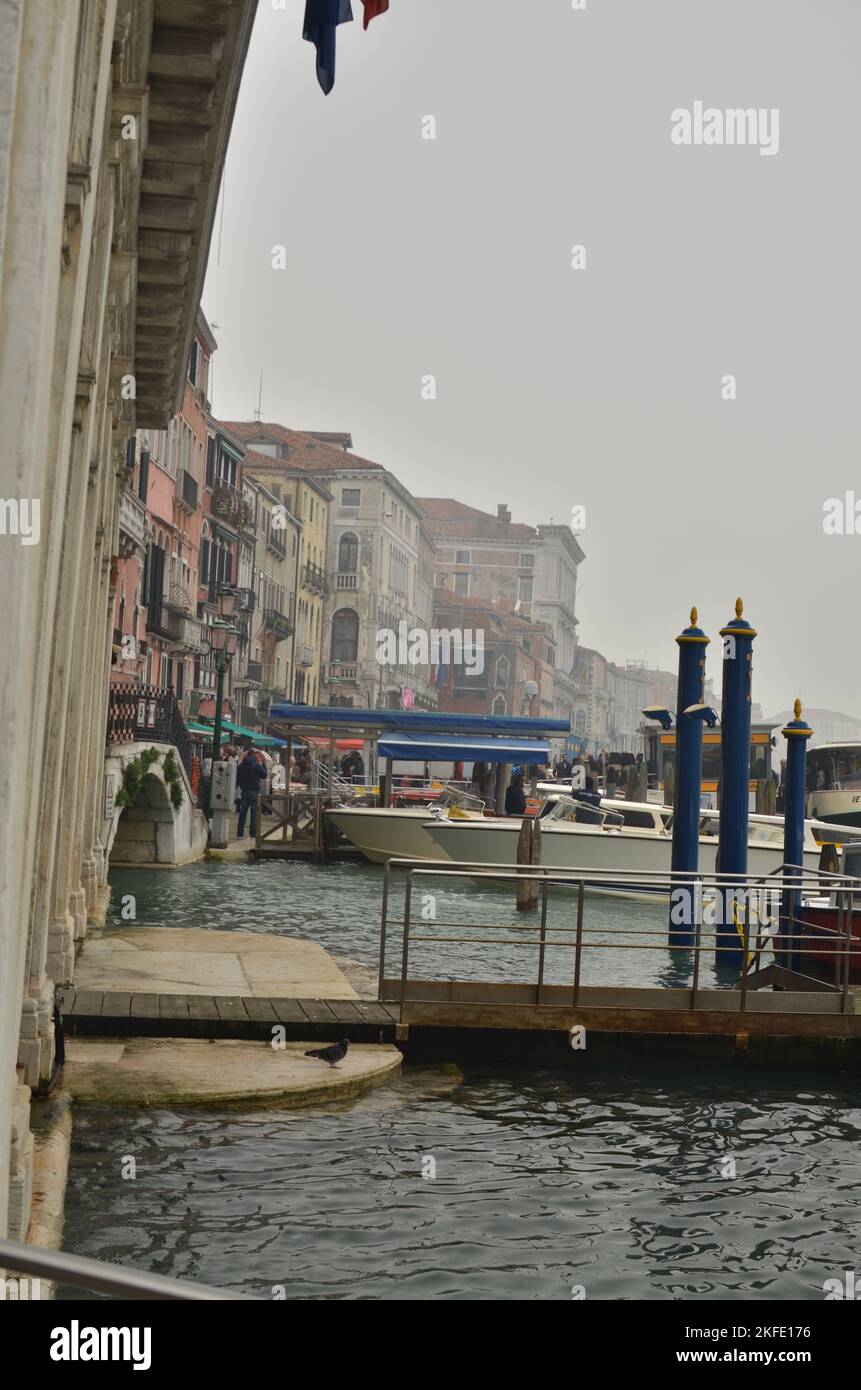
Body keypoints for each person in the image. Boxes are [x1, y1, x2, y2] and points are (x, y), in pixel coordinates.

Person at [236, 748, 267, 839]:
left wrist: (242, 786)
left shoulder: (241, 765)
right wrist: (263, 763)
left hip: (244, 791)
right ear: (254, 755)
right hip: (253, 791)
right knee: (254, 813)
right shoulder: (256, 765)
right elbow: (264, 775)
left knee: (242, 813)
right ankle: (253, 834)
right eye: (257, 754)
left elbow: (238, 778)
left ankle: (239, 834)